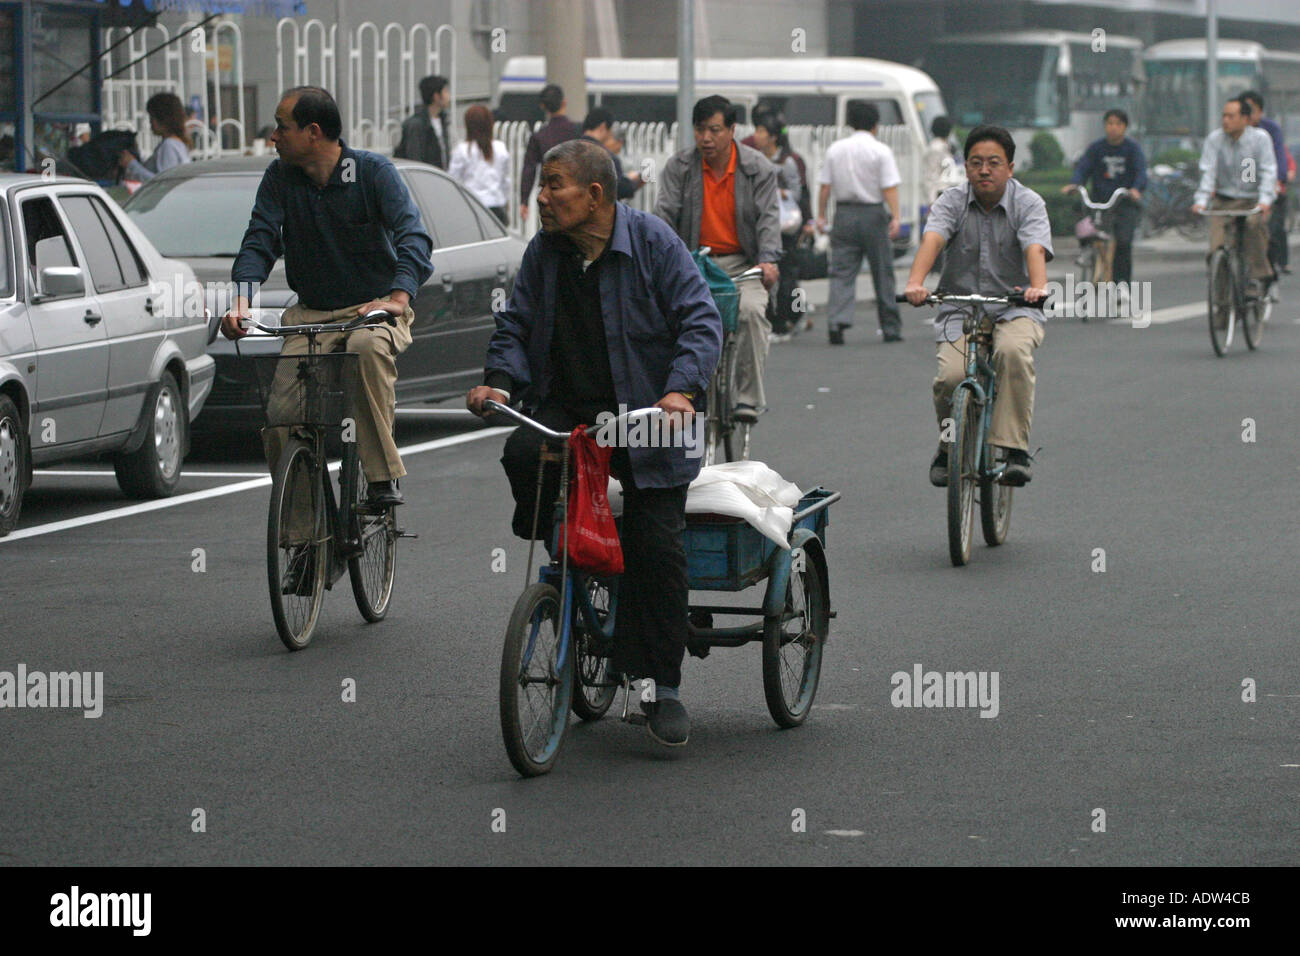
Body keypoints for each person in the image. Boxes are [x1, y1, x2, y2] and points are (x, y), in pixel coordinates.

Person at [466, 139, 722, 747]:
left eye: (555, 185)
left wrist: (681, 390)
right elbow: (516, 323)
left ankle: (662, 686)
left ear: (595, 195)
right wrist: (498, 383)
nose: (543, 197)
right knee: (522, 455)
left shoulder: (655, 243)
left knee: (655, 546)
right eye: (544, 185)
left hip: (650, 419)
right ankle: (567, 551)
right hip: (570, 415)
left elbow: (701, 319)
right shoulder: (546, 252)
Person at [220, 86, 434, 513]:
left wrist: (397, 296)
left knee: (365, 350)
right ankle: (305, 538)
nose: (273, 137)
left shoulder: (373, 173)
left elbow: (414, 237)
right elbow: (259, 240)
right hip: (310, 314)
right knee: (282, 417)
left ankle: (380, 476)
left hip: (373, 308)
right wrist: (241, 300)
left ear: (313, 132)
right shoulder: (280, 178)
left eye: (282, 127)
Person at [903, 125, 1052, 488]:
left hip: (1014, 308)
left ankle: (1014, 449)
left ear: (1010, 168)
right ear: (966, 167)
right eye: (976, 163)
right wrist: (915, 283)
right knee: (949, 379)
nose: (985, 170)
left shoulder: (1028, 204)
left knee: (1013, 352)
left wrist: (1037, 286)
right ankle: (949, 445)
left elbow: (1034, 247)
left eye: (994, 163)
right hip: (960, 307)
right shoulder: (951, 201)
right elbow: (933, 239)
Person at [655, 95, 780, 423]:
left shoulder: (758, 169)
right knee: (677, 322)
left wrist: (768, 260)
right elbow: (664, 217)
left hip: (744, 264)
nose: (706, 138)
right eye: (700, 130)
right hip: (693, 264)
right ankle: (680, 390)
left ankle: (748, 398)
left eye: (714, 130)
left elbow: (768, 218)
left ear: (732, 130)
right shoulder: (679, 168)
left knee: (752, 312)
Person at [816, 101, 903, 344]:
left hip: (843, 214)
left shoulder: (835, 149)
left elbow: (825, 187)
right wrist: (896, 216)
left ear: (850, 123)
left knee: (841, 271)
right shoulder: (881, 151)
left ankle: (837, 322)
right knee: (882, 272)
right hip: (873, 214)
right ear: (875, 125)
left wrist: (821, 215)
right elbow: (889, 187)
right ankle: (890, 327)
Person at [1192, 96, 1277, 297]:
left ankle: (1257, 277)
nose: (1225, 121)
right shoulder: (1215, 140)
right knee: (1216, 250)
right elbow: (1208, 172)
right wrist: (1201, 201)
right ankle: (1221, 301)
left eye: (1231, 116)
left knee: (1252, 226)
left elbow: (1268, 171)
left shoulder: (1260, 139)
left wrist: (1265, 200)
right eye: (1224, 116)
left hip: (1252, 200)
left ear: (1245, 119)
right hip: (1224, 200)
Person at [1062, 108, 1147, 286]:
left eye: (1118, 124)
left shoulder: (1132, 149)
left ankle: (1121, 284)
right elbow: (1083, 168)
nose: (1113, 128)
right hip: (1099, 201)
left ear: (1125, 127)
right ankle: (1086, 250)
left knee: (1123, 243)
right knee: (1081, 214)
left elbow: (1141, 173)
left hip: (1123, 202)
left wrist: (1136, 189)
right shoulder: (1096, 148)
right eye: (1110, 123)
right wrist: (1075, 184)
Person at [749, 111, 811, 337]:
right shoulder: (754, 159)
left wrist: (778, 193)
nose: (756, 135)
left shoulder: (788, 163)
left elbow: (798, 192)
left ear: (773, 137)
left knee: (787, 275)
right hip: (762, 224)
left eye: (761, 131)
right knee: (768, 275)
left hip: (785, 227)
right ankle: (780, 317)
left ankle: (789, 317)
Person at [1240, 90, 1292, 276]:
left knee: (1270, 231)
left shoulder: (1267, 133)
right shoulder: (1233, 133)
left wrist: (1277, 182)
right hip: (1245, 192)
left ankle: (1270, 270)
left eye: (1250, 110)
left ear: (1260, 112)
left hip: (1269, 189)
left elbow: (1276, 163)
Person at [518, 84, 582, 224]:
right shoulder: (577, 131)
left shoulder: (539, 136)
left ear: (543, 106)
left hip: (551, 196)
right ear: (564, 102)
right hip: (576, 192)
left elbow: (529, 169)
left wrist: (524, 200)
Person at [448, 104, 511, 225]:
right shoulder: (500, 148)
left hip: (471, 207)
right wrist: (506, 201)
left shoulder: (462, 150)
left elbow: (453, 180)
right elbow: (505, 181)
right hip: (496, 207)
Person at [118, 92, 192, 183]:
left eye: (152, 117)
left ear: (162, 118)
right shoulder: (178, 144)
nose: (150, 122)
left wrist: (132, 164)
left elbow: (162, 183)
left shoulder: (169, 145)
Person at [394, 75, 455, 170]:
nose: (449, 96)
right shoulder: (416, 125)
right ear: (436, 96)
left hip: (439, 176)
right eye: (446, 92)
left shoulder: (443, 120)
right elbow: (414, 158)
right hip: (424, 178)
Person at [580, 107, 642, 200]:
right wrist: (630, 181)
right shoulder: (607, 157)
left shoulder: (570, 150)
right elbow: (619, 189)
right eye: (610, 131)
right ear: (603, 127)